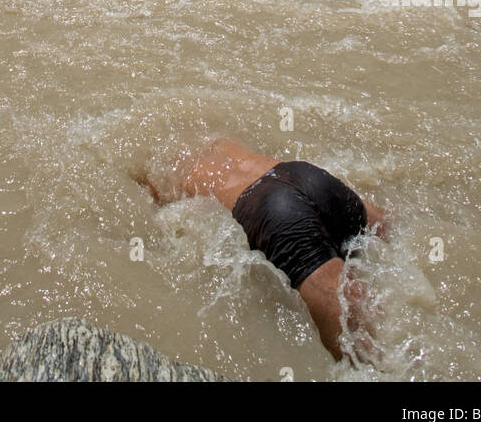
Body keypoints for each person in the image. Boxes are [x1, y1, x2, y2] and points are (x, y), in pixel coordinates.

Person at [148, 137, 388, 361]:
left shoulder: (159, 172)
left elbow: (171, 223)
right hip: (304, 176)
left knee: (361, 355)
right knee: (384, 236)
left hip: (271, 208)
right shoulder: (216, 141)